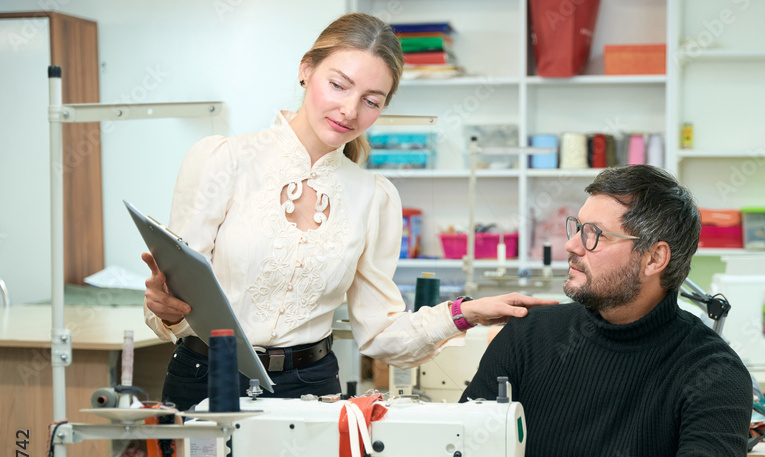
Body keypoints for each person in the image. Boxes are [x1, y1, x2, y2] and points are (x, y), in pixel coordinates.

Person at [142, 13, 552, 411]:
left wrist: (465, 313)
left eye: (370, 101)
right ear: (306, 70)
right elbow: (168, 297)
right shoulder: (222, 160)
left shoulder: (372, 197)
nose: (350, 111)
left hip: (311, 388)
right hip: (206, 376)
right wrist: (164, 308)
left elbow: (382, 334)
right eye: (338, 85)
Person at [426, 165, 753, 457]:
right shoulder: (529, 336)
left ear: (654, 258)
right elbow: (450, 448)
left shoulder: (711, 367)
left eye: (594, 234)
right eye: (576, 227)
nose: (571, 246)